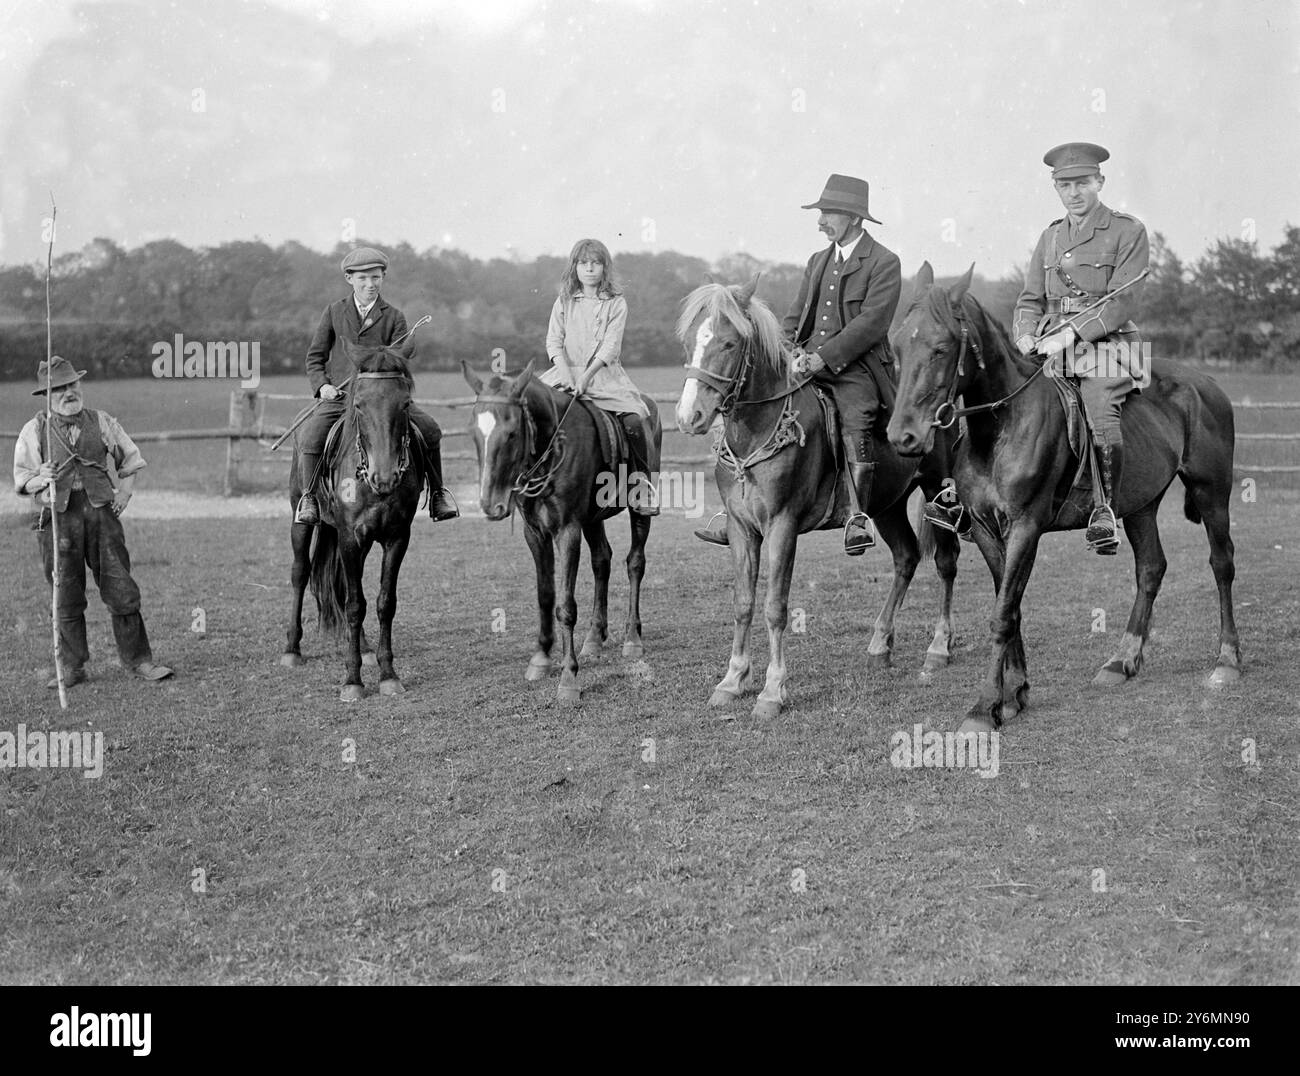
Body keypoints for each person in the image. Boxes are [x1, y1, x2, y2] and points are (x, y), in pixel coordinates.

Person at [694, 174, 901, 554]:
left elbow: (871, 324)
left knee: (857, 417)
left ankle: (856, 515)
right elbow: (795, 315)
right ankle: (736, 510)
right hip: (806, 362)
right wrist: (786, 350)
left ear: (854, 218)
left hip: (857, 368)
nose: (821, 221)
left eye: (829, 213)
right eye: (821, 213)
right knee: (751, 405)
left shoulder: (884, 262)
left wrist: (824, 357)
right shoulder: (818, 260)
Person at [13, 356, 173, 688]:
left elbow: (130, 457)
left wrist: (124, 493)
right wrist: (41, 477)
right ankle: (72, 667)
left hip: (102, 515)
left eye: (72, 385)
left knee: (121, 587)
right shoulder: (35, 429)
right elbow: (22, 479)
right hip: (58, 520)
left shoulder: (101, 422)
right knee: (65, 593)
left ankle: (139, 661)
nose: (68, 392)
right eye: (59, 388)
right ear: (47, 394)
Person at [294, 246, 458, 525]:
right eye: (363, 279)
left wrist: (405, 349)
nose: (370, 285)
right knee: (310, 435)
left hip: (384, 400)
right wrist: (322, 387)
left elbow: (403, 360)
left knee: (430, 430)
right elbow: (315, 358)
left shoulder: (394, 317)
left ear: (383, 278)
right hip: (341, 398)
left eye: (376, 278)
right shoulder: (334, 312)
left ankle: (438, 494)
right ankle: (309, 498)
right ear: (349, 279)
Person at [538, 238, 659, 515]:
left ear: (605, 268)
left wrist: (587, 376)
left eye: (596, 263)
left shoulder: (616, 303)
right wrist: (567, 374)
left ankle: (639, 484)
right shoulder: (564, 301)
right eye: (583, 263)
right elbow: (553, 341)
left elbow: (611, 346)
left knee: (634, 420)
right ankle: (522, 478)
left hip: (604, 376)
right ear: (575, 268)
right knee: (531, 412)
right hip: (564, 374)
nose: (590, 269)